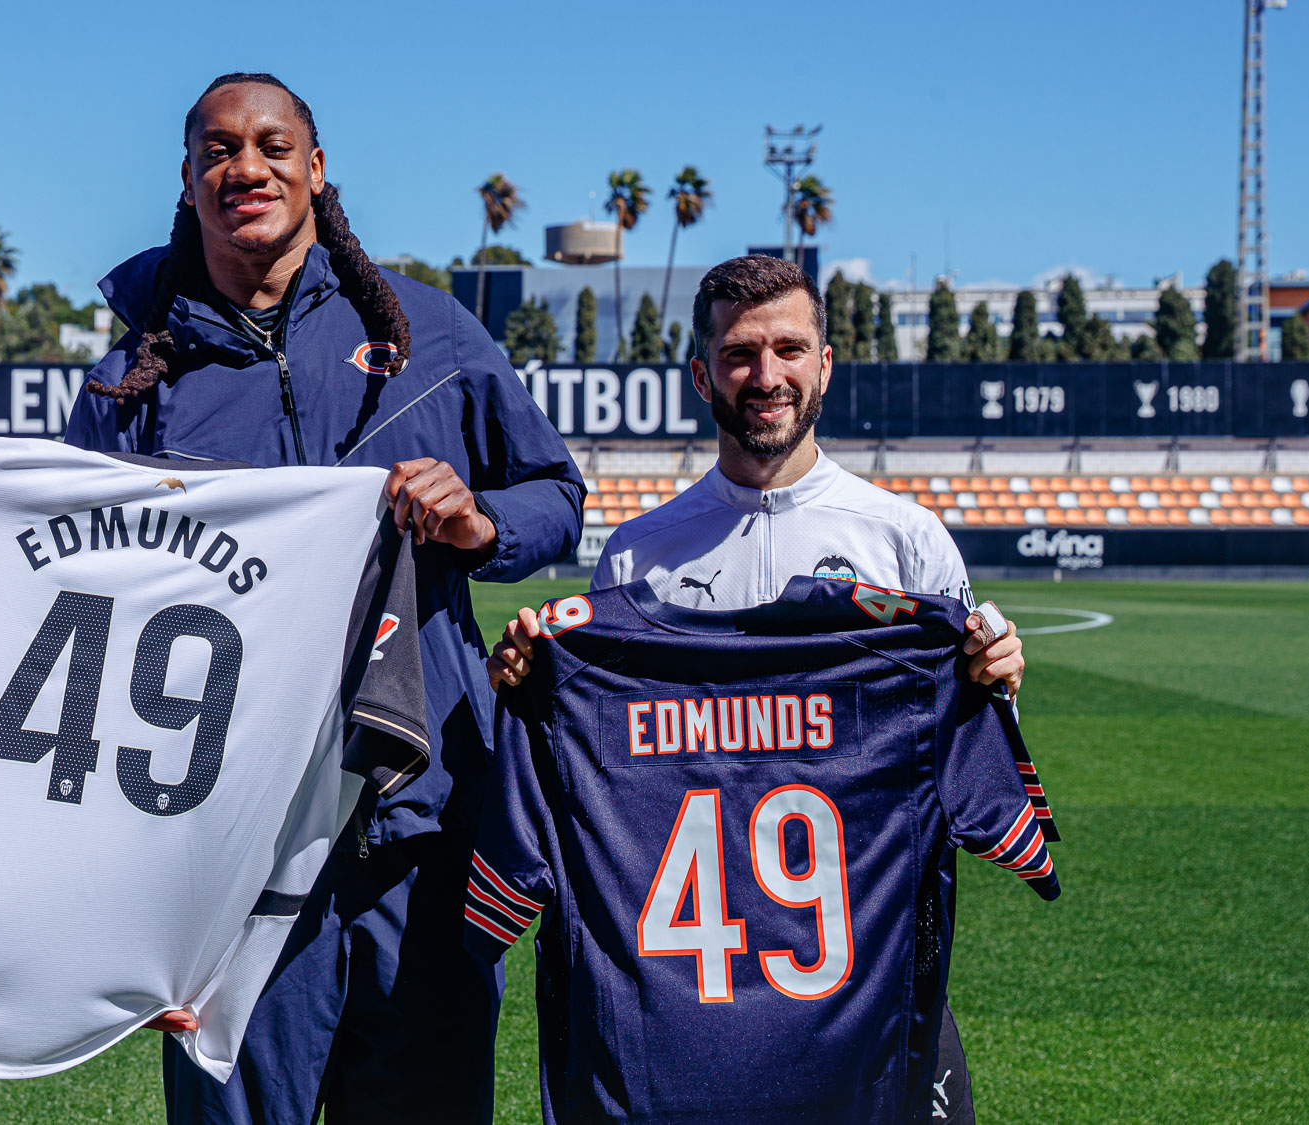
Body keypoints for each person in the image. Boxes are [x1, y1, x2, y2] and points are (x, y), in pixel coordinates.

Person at [61, 73, 585, 1124]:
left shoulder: (429, 333)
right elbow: (77, 606)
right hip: (226, 852)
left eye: (268, 145)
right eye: (216, 150)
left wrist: (479, 524)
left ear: (314, 165)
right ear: (187, 176)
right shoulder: (130, 380)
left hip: (422, 829)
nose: (242, 169)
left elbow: (556, 498)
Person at [489, 253, 1027, 1124]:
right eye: (740, 354)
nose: (766, 375)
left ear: (824, 363)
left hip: (867, 992)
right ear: (702, 373)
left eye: (789, 349)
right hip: (688, 1014)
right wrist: (526, 680)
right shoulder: (640, 552)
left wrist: (995, 682)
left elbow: (960, 742)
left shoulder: (908, 542)